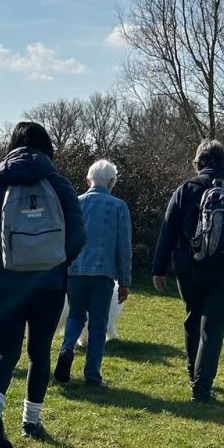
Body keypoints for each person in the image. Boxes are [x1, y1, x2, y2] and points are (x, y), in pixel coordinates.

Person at [0, 122, 86, 448]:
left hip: (7, 281)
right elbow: (79, 235)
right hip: (49, 283)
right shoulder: (59, 184)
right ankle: (31, 420)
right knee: (40, 351)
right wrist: (56, 262)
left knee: (5, 350)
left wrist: (3, 261)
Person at [151, 140, 224, 403]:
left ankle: (194, 374)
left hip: (189, 269)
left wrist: (159, 269)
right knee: (213, 327)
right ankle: (202, 388)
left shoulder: (186, 189)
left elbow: (167, 231)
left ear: (197, 164)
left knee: (193, 319)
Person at [55, 159, 132, 388]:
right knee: (98, 323)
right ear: (111, 182)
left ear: (88, 179)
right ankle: (92, 375)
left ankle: (67, 348)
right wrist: (125, 281)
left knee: (75, 316)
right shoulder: (119, 207)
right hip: (103, 274)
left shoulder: (75, 203)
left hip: (74, 271)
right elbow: (124, 247)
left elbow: (64, 238)